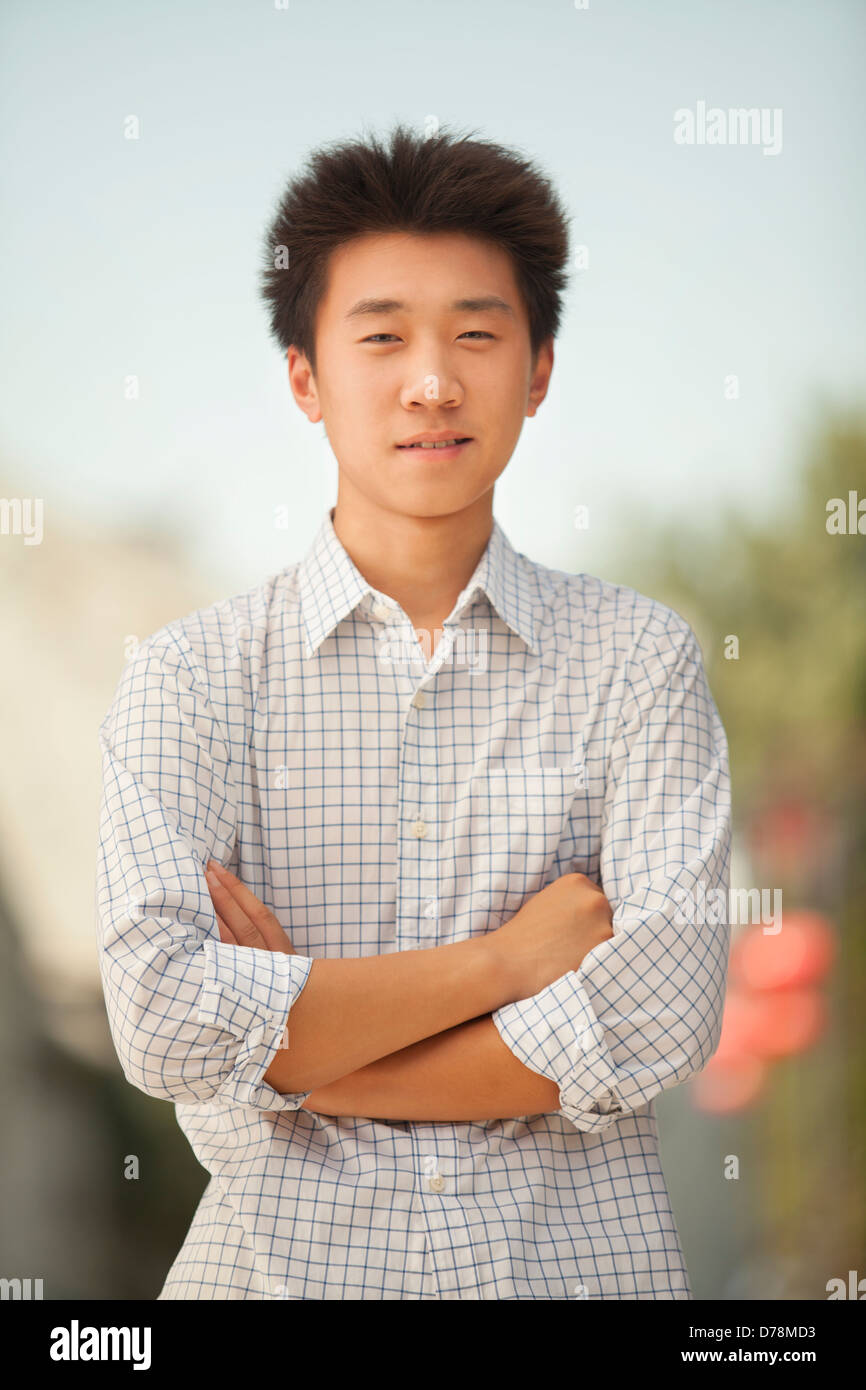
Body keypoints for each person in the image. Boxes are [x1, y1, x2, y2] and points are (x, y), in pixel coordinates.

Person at [95, 122, 732, 1300]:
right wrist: (503, 963)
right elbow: (164, 1022)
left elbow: (655, 1017)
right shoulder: (190, 678)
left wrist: (304, 1054)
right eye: (381, 335)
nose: (431, 380)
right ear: (305, 377)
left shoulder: (637, 662)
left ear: (537, 368)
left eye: (475, 334)